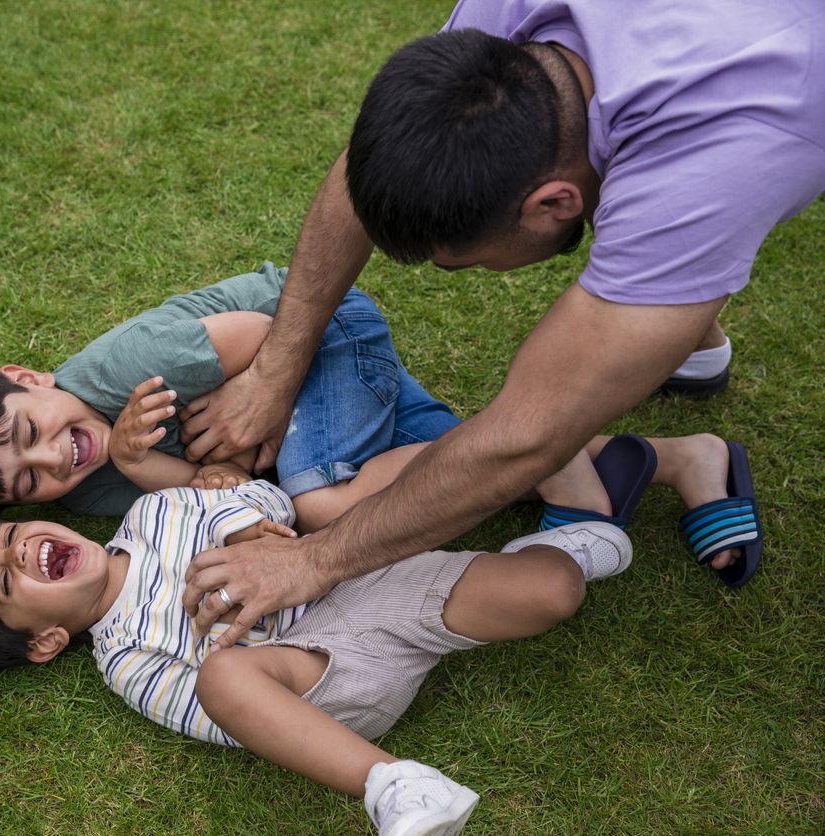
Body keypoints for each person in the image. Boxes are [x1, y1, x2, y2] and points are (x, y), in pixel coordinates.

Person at [178, 0, 806, 642]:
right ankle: (686, 342)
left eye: (463, 262)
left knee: (646, 274)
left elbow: (528, 435)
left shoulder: (704, 162)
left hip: (776, 86)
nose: (457, 271)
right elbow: (389, 155)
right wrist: (278, 368)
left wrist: (315, 559)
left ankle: (671, 327)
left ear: (553, 203)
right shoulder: (501, 26)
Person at [0, 478, 640, 835]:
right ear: (43, 641)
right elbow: (232, 718)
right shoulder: (124, 660)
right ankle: (397, 788)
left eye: (10, 536)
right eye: (9, 579)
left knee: (552, 590)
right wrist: (238, 639)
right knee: (226, 675)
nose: (24, 550)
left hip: (364, 586)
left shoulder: (152, 512)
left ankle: (544, 551)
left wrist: (247, 531)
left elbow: (260, 499)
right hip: (323, 676)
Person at [0, 263, 462, 537]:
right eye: (29, 483)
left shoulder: (126, 369)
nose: (53, 460)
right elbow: (208, 493)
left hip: (322, 327)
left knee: (318, 506)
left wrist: (264, 408)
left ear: (27, 379)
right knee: (424, 447)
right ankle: (520, 450)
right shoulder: (86, 498)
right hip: (311, 387)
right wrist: (162, 466)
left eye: (29, 434)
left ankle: (482, 462)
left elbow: (272, 335)